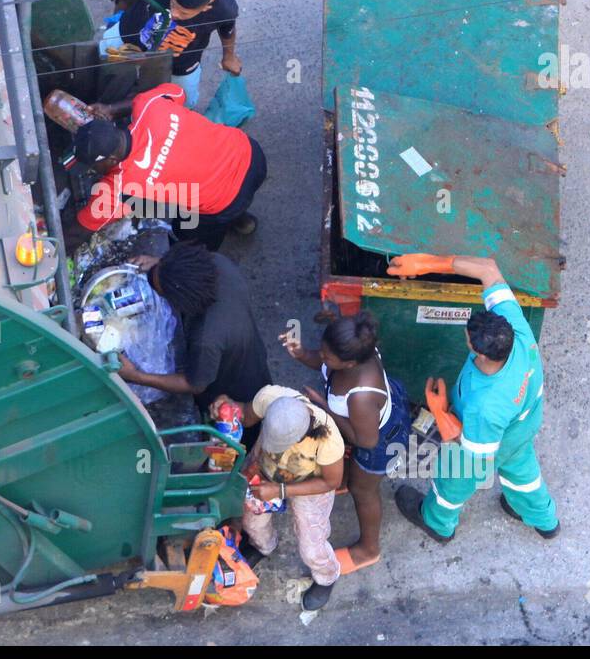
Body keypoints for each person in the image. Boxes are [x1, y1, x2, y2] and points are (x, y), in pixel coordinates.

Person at [387, 253, 559, 542]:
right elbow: (488, 268)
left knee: (453, 481)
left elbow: (474, 454)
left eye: (468, 339)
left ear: (480, 352)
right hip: (522, 426)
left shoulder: (486, 405)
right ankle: (544, 519)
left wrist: (441, 413)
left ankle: (438, 523)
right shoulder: (516, 329)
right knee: (522, 471)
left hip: (485, 441)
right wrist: (426, 263)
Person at [282, 311, 411, 574]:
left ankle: (368, 549)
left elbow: (364, 440)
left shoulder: (361, 397)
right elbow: (322, 358)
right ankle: (343, 478)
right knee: (349, 472)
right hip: (371, 419)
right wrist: (301, 353)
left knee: (363, 490)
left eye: (327, 356)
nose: (322, 357)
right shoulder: (357, 346)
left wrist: (323, 408)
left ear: (350, 363)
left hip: (377, 441)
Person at [63, 82, 265, 250]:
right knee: (208, 188)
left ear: (111, 161)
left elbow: (79, 231)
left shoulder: (120, 187)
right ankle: (242, 220)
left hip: (226, 201)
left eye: (92, 166)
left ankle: (212, 261)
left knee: (190, 237)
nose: (92, 171)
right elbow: (179, 92)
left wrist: (50, 253)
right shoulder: (148, 105)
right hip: (250, 153)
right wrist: (111, 109)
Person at [211, 385, 345, 611]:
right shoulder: (271, 397)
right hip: (264, 469)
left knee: (311, 542)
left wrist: (280, 491)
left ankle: (326, 576)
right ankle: (263, 547)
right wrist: (226, 404)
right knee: (252, 522)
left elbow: (331, 482)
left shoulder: (328, 439)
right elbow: (244, 414)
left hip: (311, 487)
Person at [116, 243, 271, 433]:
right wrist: (163, 266)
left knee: (232, 442)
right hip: (251, 354)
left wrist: (136, 376)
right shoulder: (218, 264)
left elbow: (193, 384)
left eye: (162, 292)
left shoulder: (207, 337)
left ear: (183, 302)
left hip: (233, 395)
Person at [83, 0, 240, 109]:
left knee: (183, 100)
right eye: (173, 4)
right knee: (103, 62)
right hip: (130, 33)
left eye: (183, 12)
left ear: (205, 8)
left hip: (180, 62)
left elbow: (227, 30)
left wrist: (229, 57)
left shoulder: (225, 8)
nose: (174, 13)